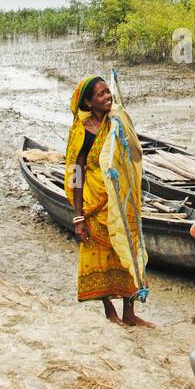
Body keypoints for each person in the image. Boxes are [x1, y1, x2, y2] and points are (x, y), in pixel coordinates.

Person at [66, 74, 154, 328]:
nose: (108, 97)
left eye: (108, 92)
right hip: (96, 200)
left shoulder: (116, 121)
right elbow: (77, 171)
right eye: (101, 94)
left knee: (128, 249)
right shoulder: (82, 131)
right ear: (89, 102)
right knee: (100, 255)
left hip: (121, 197)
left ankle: (129, 312)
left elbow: (135, 153)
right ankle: (109, 311)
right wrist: (79, 215)